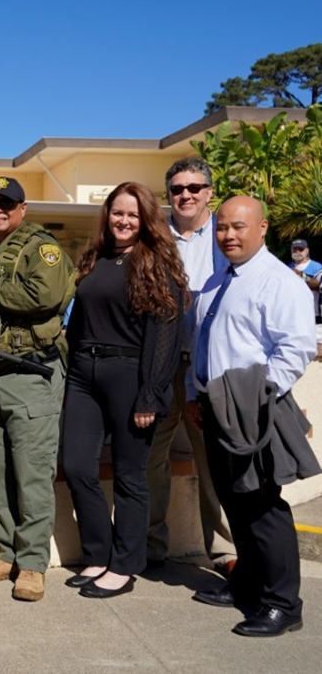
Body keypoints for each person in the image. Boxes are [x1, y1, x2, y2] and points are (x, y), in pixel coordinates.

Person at [187, 197, 318, 637]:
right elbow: (203, 341)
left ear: (262, 228)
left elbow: (296, 348)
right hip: (214, 406)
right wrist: (196, 392)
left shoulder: (280, 282)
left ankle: (283, 603)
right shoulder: (217, 280)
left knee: (262, 507)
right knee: (233, 500)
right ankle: (247, 582)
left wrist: (254, 400)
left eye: (239, 227)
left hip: (250, 410)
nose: (229, 235)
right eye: (222, 227)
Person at [60, 181, 186, 599]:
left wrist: (150, 392)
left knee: (131, 476)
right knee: (78, 466)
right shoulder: (96, 258)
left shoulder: (156, 263)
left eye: (132, 214)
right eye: (117, 212)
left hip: (130, 375)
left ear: (146, 219)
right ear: (107, 215)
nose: (124, 220)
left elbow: (165, 332)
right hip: (83, 373)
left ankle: (125, 564)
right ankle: (97, 554)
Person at [0, 176, 75, 602]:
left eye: (6, 204)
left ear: (22, 208)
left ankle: (32, 564)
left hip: (31, 372)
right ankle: (7, 553)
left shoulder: (41, 249)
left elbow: (41, 296)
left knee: (31, 473)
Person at [146, 157, 236, 575]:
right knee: (149, 460)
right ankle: (149, 546)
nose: (186, 195)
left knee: (216, 462)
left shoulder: (227, 234)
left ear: (209, 193)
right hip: (161, 367)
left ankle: (225, 551)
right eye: (178, 189)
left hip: (210, 369)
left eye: (195, 188)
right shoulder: (153, 236)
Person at [288, 239, 322, 354]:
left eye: (300, 249)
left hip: (314, 314)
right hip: (294, 315)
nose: (297, 252)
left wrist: (302, 276)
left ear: (307, 251)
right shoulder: (287, 267)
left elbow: (319, 285)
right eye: (295, 249)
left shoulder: (316, 267)